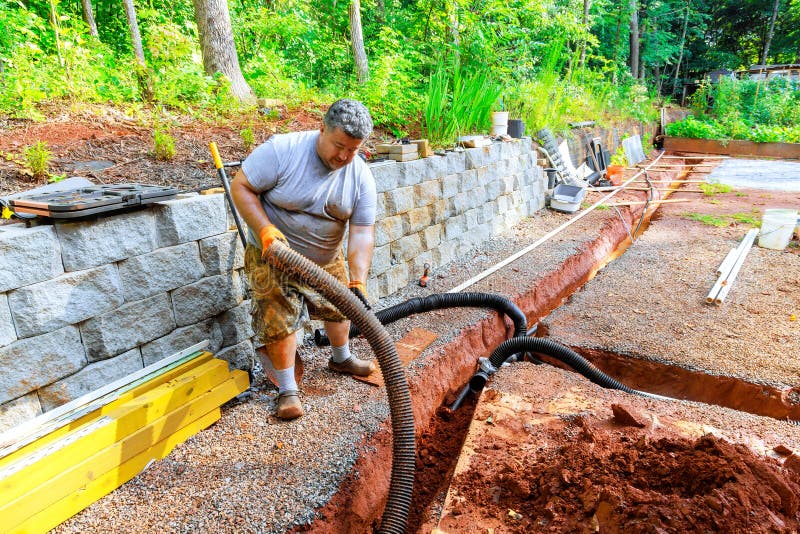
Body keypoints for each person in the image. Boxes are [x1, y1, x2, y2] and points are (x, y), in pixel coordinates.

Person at [230, 99, 378, 420]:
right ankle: (287, 390)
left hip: (325, 258)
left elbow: (362, 231)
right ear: (321, 128)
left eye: (352, 150)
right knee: (278, 320)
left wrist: (358, 281)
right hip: (273, 255)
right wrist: (265, 229)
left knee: (341, 305)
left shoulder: (360, 176)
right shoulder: (283, 151)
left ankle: (341, 358)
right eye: (339, 145)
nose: (344, 156)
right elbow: (241, 187)